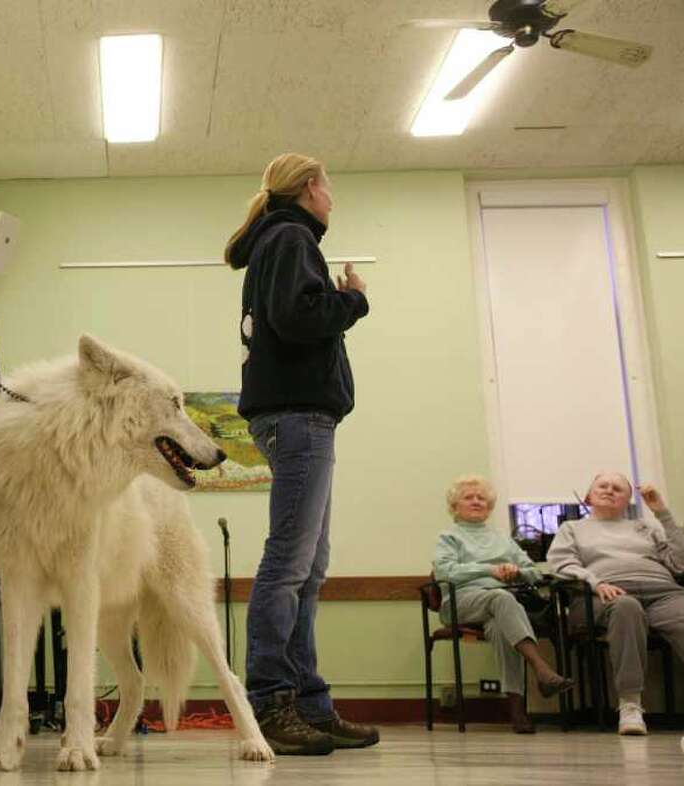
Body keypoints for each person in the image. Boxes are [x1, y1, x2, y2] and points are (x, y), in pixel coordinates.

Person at [225, 152, 375, 755]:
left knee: (307, 567)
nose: (332, 198)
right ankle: (271, 702)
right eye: (328, 187)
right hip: (299, 418)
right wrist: (354, 301)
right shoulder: (291, 236)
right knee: (289, 564)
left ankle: (308, 703)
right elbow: (297, 316)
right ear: (310, 188)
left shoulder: (277, 239)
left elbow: (287, 315)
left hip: (295, 418)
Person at [547, 473, 684, 735]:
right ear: (589, 495)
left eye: (618, 488)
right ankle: (630, 705)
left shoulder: (646, 527)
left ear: (628, 500)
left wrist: (662, 513)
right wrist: (594, 582)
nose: (610, 490)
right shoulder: (572, 528)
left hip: (663, 593)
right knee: (626, 607)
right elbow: (561, 564)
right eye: (603, 486)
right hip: (601, 596)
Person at [432, 474, 575, 733]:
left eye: (481, 498)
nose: (477, 501)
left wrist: (516, 572)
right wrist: (490, 570)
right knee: (501, 598)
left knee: (500, 625)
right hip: (461, 601)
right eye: (469, 497)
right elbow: (445, 573)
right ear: (455, 507)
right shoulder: (449, 537)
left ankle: (517, 713)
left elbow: (533, 572)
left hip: (501, 605)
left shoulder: (503, 539)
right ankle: (541, 667)